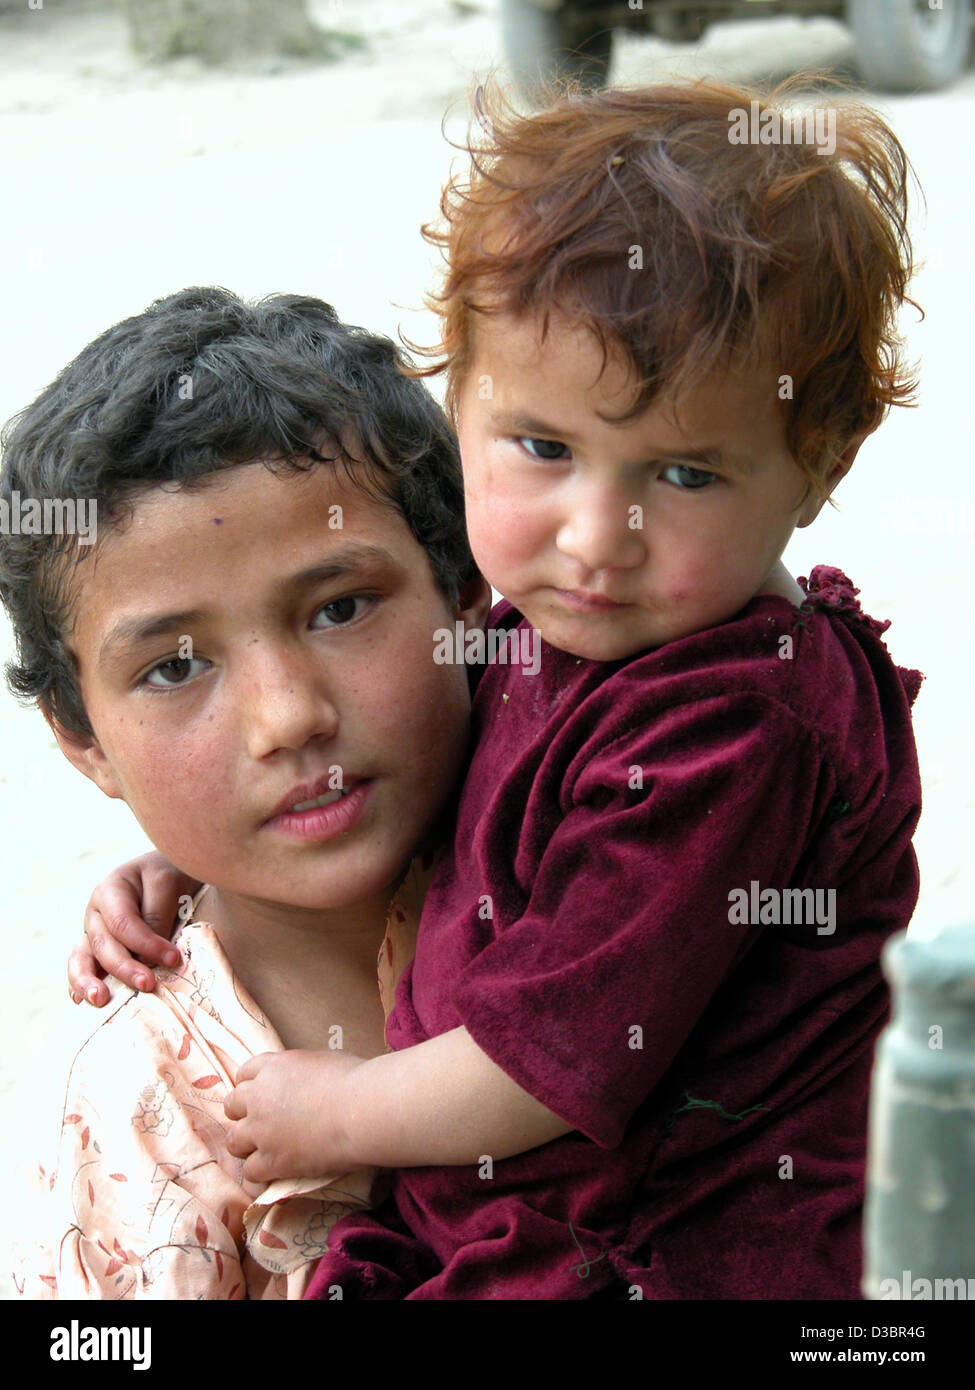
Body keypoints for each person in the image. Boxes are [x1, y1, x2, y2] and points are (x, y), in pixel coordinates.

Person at [70, 78, 924, 1299]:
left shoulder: (735, 722)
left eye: (683, 471)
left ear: (816, 468)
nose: (597, 535)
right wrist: (195, 866)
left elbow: (559, 1053)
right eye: (544, 448)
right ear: (458, 400)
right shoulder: (571, 631)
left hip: (666, 1254)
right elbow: (436, 785)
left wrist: (348, 1111)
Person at [0, 287, 490, 1298]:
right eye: (176, 669)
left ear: (472, 593)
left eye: (342, 606)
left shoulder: (608, 847)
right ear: (84, 740)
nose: (287, 717)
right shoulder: (139, 1120)